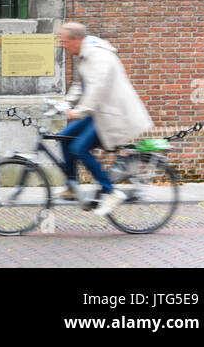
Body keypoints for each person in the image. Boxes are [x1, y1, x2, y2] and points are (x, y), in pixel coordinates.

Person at [56, 22, 153, 216]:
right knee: (64, 137)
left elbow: (96, 88)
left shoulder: (98, 56)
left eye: (65, 42)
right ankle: (72, 184)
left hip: (113, 115)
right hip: (100, 113)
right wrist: (65, 103)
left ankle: (111, 191)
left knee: (79, 148)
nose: (63, 46)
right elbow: (80, 85)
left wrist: (79, 111)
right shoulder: (84, 55)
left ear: (77, 39)